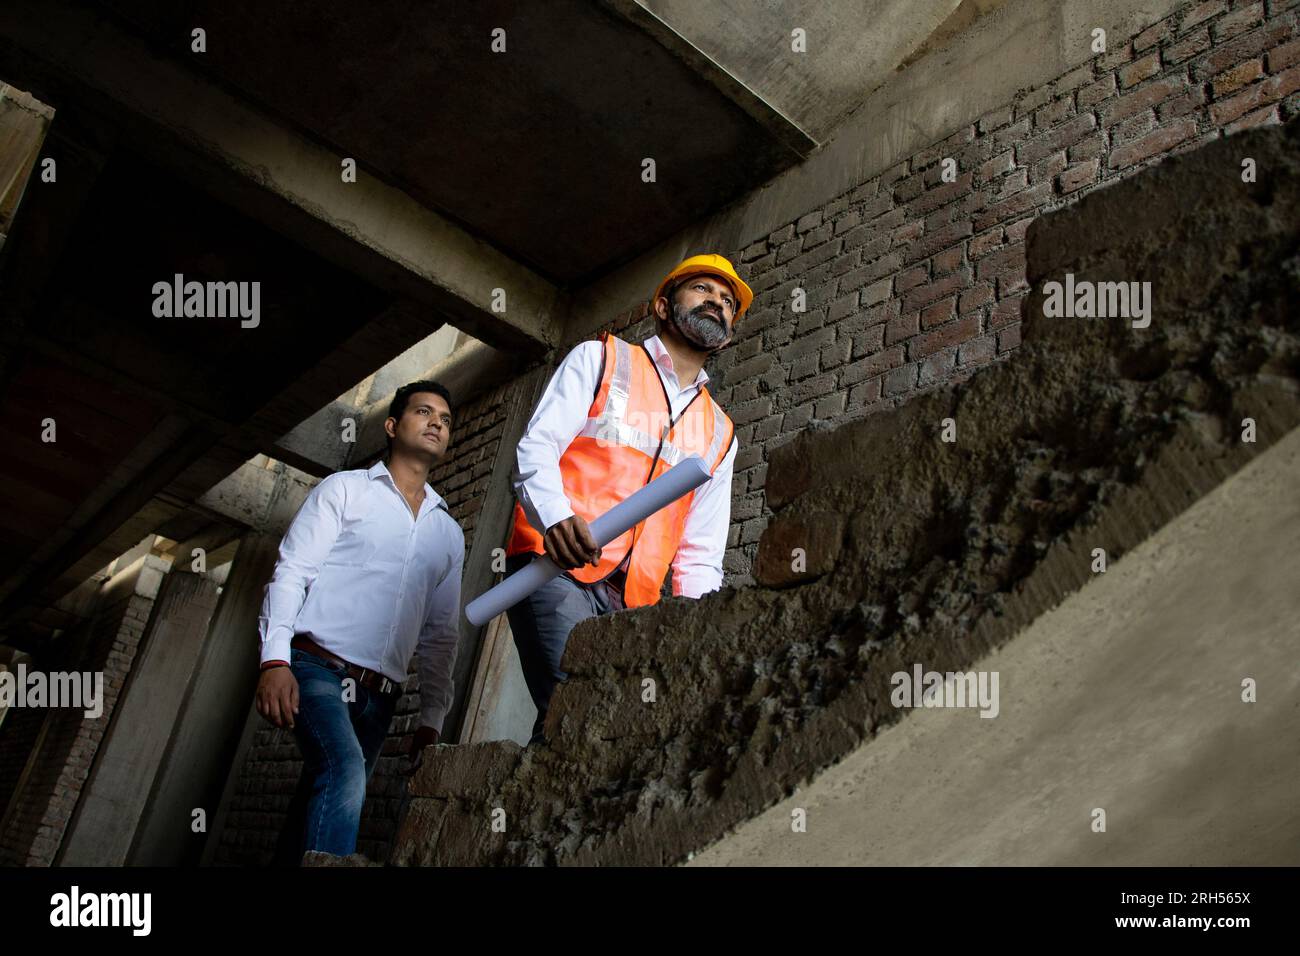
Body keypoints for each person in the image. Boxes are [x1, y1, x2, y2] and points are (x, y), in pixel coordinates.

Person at [506, 253, 751, 743]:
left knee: (598, 726)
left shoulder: (721, 432)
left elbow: (700, 552)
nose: (718, 304)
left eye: (728, 302)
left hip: (636, 599)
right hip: (556, 567)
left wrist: (690, 628)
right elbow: (537, 446)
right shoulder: (602, 359)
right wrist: (556, 519)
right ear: (663, 305)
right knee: (574, 703)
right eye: (704, 289)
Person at [255, 380, 464, 862]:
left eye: (445, 420)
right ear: (392, 427)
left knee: (321, 800)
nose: (437, 423)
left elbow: (440, 636)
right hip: (316, 670)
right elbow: (292, 571)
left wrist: (431, 718)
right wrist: (273, 661)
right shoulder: (344, 490)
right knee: (345, 772)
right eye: (424, 412)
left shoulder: (448, 533)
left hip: (380, 697)